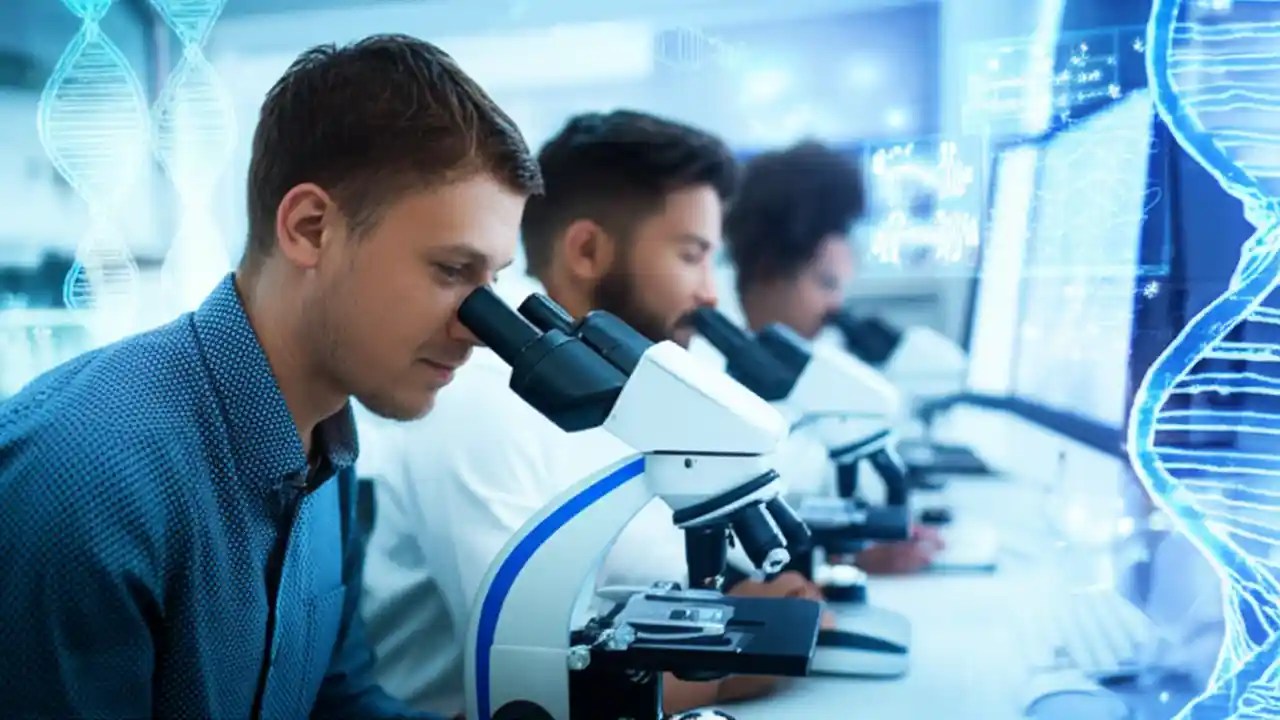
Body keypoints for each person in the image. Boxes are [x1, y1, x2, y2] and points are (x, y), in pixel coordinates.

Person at [0, 34, 541, 719]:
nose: (477, 329)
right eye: (451, 271)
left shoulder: (324, 446)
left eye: (492, 282)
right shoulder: (87, 482)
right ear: (311, 228)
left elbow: (336, 701)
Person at [357, 110, 832, 717]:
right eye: (692, 256)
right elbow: (529, 676)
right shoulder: (477, 402)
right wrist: (738, 665)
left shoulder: (628, 395)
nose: (712, 293)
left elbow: (641, 573)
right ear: (587, 250)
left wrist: (751, 594)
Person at [723, 140, 943, 574]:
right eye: (825, 284)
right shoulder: (707, 360)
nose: (835, 306)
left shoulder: (804, 350)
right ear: (768, 266)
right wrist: (839, 550)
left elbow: (808, 482)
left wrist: (856, 537)